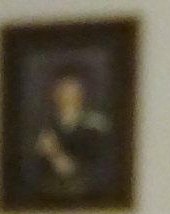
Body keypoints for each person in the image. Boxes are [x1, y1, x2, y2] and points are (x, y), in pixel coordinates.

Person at [32, 68, 111, 198]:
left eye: (73, 89)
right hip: (48, 194)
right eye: (63, 89)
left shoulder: (96, 125)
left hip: (87, 193)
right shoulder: (43, 126)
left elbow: (99, 167)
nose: (67, 95)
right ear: (54, 93)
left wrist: (56, 154)